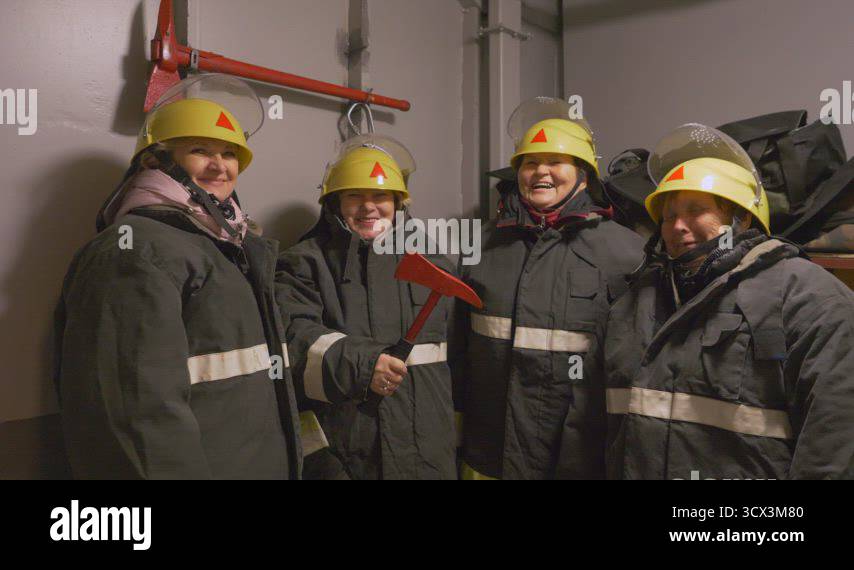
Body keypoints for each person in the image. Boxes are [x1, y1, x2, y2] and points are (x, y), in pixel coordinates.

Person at [54, 74, 302, 479]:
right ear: (156, 161)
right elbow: (134, 416)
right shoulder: (134, 251)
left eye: (229, 153)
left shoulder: (227, 249)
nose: (219, 165)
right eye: (200, 150)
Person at [605, 123, 854, 479]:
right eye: (670, 215)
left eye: (696, 210)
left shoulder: (811, 299)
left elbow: (833, 448)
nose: (677, 226)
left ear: (742, 217)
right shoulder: (637, 301)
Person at [449, 97, 645, 479]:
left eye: (556, 162)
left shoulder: (628, 253)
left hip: (577, 461)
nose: (541, 172)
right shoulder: (478, 246)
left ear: (583, 175)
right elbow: (457, 346)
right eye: (529, 163)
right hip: (487, 456)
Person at [275, 134, 457, 480]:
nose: (368, 206)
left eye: (380, 196)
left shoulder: (434, 263)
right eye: (354, 195)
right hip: (345, 452)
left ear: (398, 202)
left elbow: (457, 358)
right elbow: (293, 339)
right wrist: (364, 364)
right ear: (334, 203)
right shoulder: (302, 264)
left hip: (427, 454)